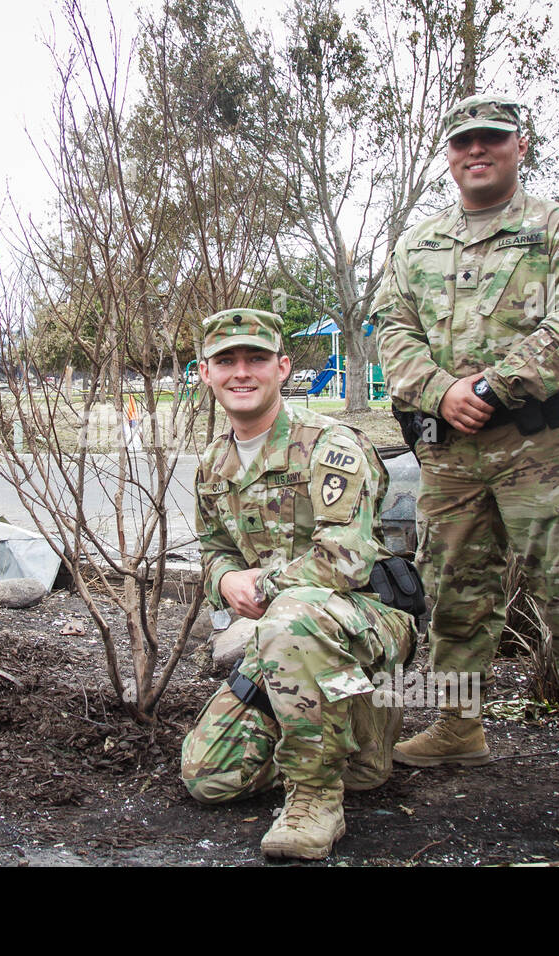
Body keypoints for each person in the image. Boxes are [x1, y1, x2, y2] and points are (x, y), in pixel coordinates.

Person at [372, 94, 559, 803]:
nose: (477, 151)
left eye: (492, 139)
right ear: (449, 154)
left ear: (518, 146)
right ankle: (459, 728)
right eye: (464, 141)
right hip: (449, 459)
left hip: (540, 453)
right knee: (454, 595)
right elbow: (392, 333)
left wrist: (491, 390)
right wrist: (439, 392)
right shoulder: (416, 245)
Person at [180, 308, 420, 861]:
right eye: (226, 361)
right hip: (285, 639)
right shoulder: (214, 463)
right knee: (208, 777)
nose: (242, 372)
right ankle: (349, 729)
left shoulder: (330, 445)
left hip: (364, 620)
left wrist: (259, 585)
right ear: (205, 373)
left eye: (257, 359)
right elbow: (215, 548)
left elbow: (345, 562)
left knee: (293, 615)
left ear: (283, 368)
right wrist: (224, 580)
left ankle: (316, 798)